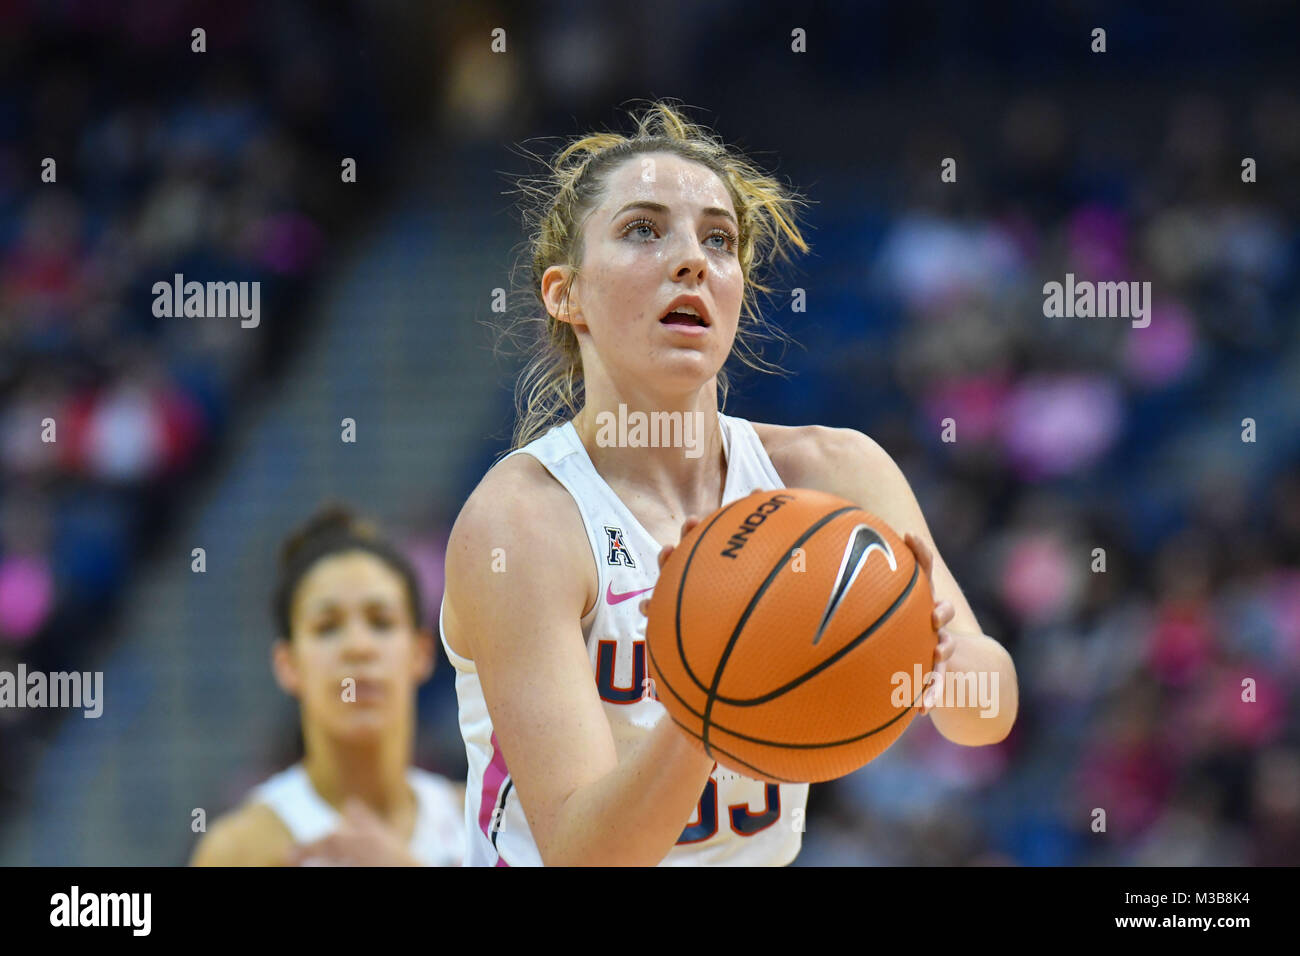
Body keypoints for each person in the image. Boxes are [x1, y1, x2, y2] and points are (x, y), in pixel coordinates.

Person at [440, 100, 1019, 866]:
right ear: (565, 294)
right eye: (643, 229)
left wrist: (951, 664)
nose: (692, 260)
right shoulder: (522, 523)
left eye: (718, 239)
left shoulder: (832, 473)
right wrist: (706, 689)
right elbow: (586, 856)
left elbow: (987, 716)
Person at [191, 505, 465, 866]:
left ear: (422, 652)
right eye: (327, 626)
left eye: (381, 622)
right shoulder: (241, 849)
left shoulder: (476, 819)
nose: (358, 647)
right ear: (288, 664)